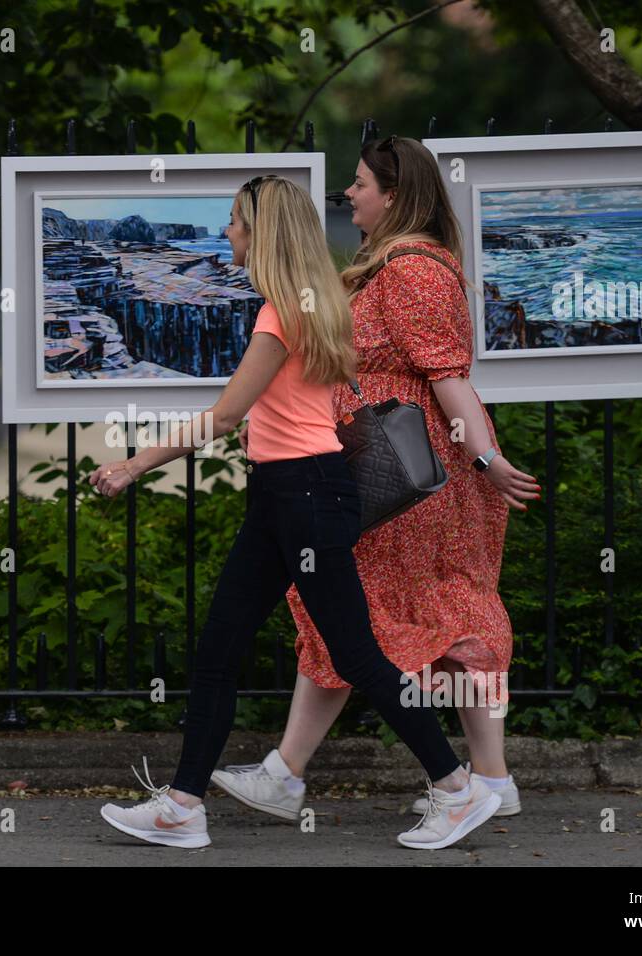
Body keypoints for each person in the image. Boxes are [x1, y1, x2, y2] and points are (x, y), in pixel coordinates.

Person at [91, 173, 502, 850]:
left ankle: (456, 789)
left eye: (233, 221)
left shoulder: (281, 314)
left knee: (360, 658)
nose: (225, 232)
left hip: (304, 497)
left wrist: (134, 466)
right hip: (286, 497)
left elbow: (225, 416)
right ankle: (182, 806)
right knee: (220, 649)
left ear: (261, 231)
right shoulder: (319, 306)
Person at [209, 136, 540, 825]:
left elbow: (449, 377)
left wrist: (485, 459)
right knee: (376, 612)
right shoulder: (387, 266)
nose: (349, 194)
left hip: (405, 475)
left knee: (417, 610)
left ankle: (475, 778)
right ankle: (479, 779)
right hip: (388, 464)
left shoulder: (413, 270)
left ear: (394, 196)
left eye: (359, 184)